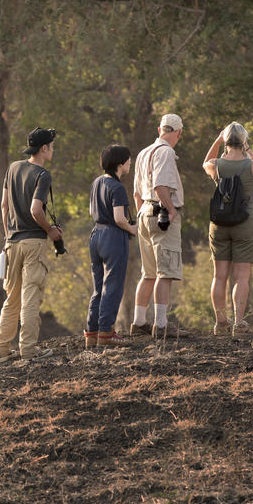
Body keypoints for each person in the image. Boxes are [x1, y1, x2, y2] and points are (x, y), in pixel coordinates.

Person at [0, 127, 63, 364]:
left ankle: (2, 350)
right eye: (51, 146)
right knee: (31, 296)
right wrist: (50, 230)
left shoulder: (12, 168)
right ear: (44, 148)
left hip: (12, 242)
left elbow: (4, 205)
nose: (53, 150)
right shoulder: (42, 175)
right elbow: (36, 210)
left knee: (12, 298)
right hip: (34, 243)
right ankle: (29, 350)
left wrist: (8, 235)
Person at [202, 122, 253, 337]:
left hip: (219, 224)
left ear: (226, 140)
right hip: (245, 224)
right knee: (241, 277)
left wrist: (217, 140)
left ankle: (221, 323)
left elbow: (205, 163)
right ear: (243, 141)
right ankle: (238, 323)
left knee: (219, 276)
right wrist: (248, 149)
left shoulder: (216, 165)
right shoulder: (252, 165)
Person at [131, 113, 185, 340]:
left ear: (160, 129)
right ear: (178, 133)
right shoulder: (166, 152)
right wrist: (171, 210)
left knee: (149, 273)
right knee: (165, 272)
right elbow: (160, 186)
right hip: (160, 212)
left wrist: (142, 215)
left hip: (144, 212)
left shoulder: (144, 152)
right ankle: (161, 325)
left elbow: (136, 193)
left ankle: (139, 322)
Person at [84, 145, 138, 348]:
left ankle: (92, 332)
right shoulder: (117, 187)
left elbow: (91, 210)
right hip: (113, 237)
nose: (130, 162)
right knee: (113, 286)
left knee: (98, 287)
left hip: (96, 235)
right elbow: (119, 218)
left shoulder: (97, 182)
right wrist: (132, 229)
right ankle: (106, 332)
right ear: (120, 164)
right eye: (128, 160)